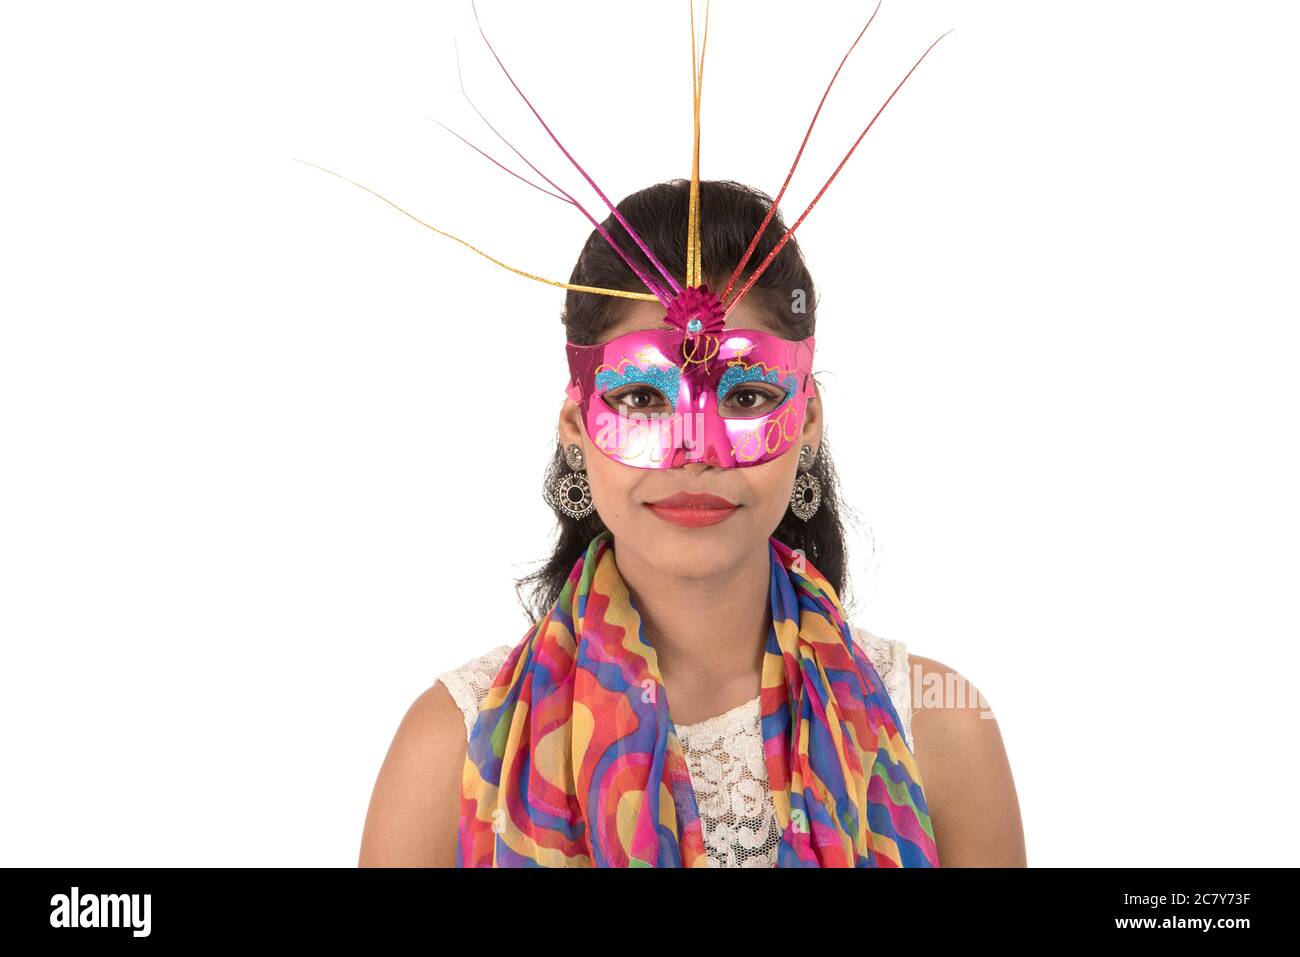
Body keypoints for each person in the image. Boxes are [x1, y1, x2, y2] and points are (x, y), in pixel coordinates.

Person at [337, 0, 1024, 866]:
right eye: (643, 399)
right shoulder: (450, 749)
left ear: (807, 421)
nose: (695, 446)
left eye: (743, 391)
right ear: (577, 429)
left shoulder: (943, 734)